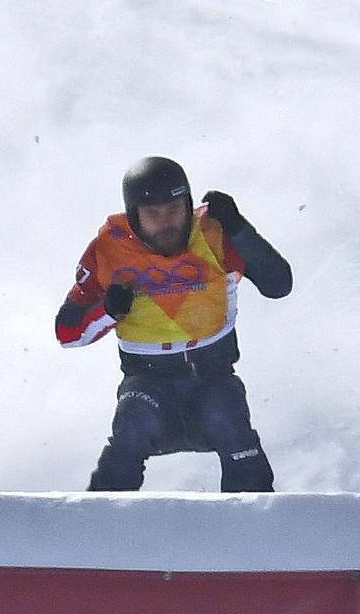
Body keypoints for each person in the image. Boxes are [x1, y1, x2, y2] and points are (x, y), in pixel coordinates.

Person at [55, 157, 293, 491]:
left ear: (189, 205)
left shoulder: (213, 234)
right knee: (134, 421)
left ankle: (253, 524)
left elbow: (278, 285)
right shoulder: (109, 249)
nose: (165, 223)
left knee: (228, 418)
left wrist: (240, 229)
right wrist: (107, 311)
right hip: (150, 387)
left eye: (174, 210)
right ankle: (99, 525)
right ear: (134, 216)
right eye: (153, 215)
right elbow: (66, 333)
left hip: (212, 383)